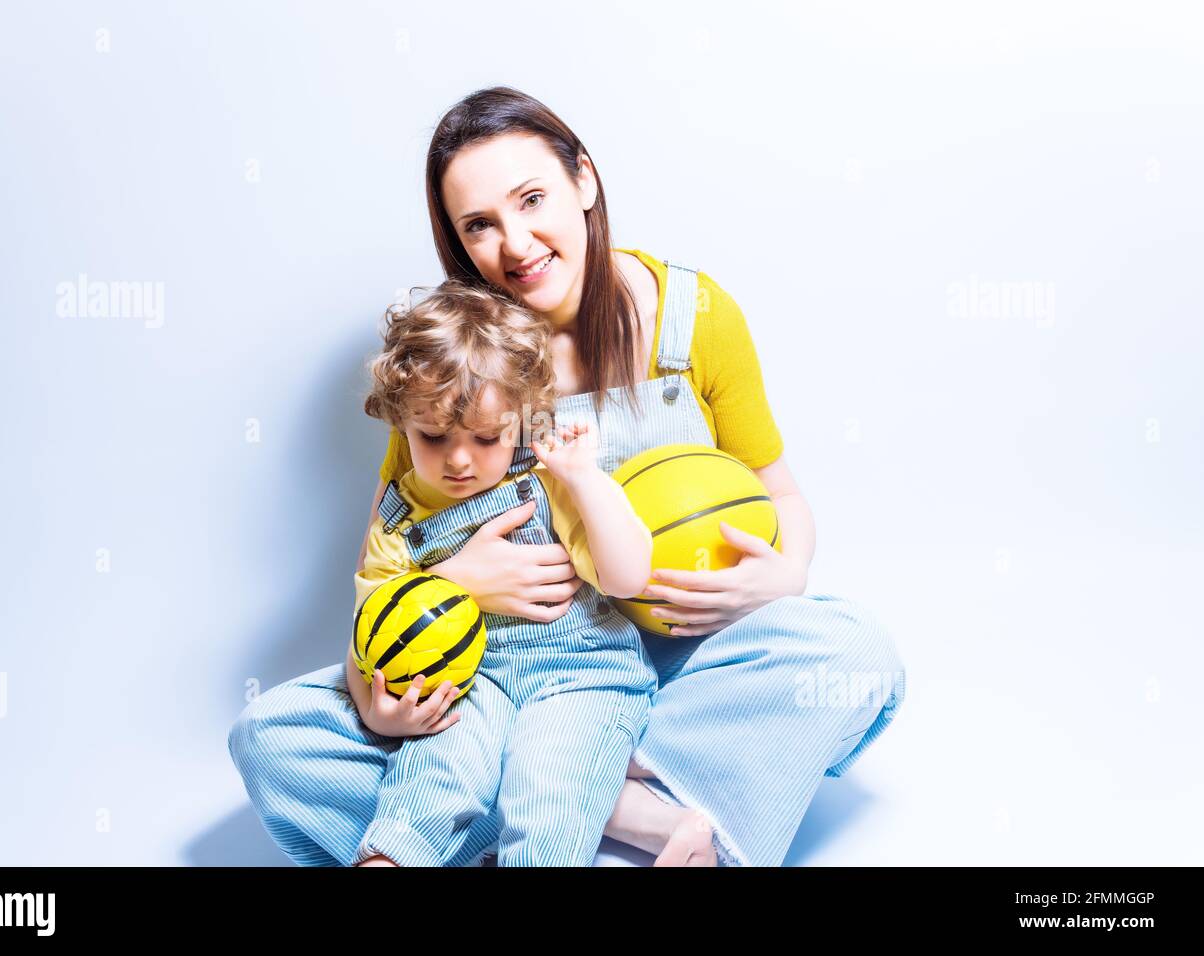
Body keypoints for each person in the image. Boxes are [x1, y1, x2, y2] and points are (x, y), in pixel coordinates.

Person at [229, 86, 907, 867]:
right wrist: (455, 586)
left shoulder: (695, 316)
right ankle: (617, 806)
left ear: (584, 180)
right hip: (498, 675)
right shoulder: (460, 367)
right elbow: (383, 572)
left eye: (531, 198)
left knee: (854, 653)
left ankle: (555, 794)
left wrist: (782, 576)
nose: (515, 244)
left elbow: (778, 488)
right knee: (270, 738)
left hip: (676, 657)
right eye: (479, 224)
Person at [345, 281, 663, 866]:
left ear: (523, 418)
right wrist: (373, 707)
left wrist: (586, 479)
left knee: (548, 789)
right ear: (400, 422)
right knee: (431, 771)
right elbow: (371, 630)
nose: (459, 460)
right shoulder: (399, 515)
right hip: (472, 686)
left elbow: (626, 578)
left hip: (581, 675)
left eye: (487, 437)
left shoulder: (547, 482)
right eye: (433, 437)